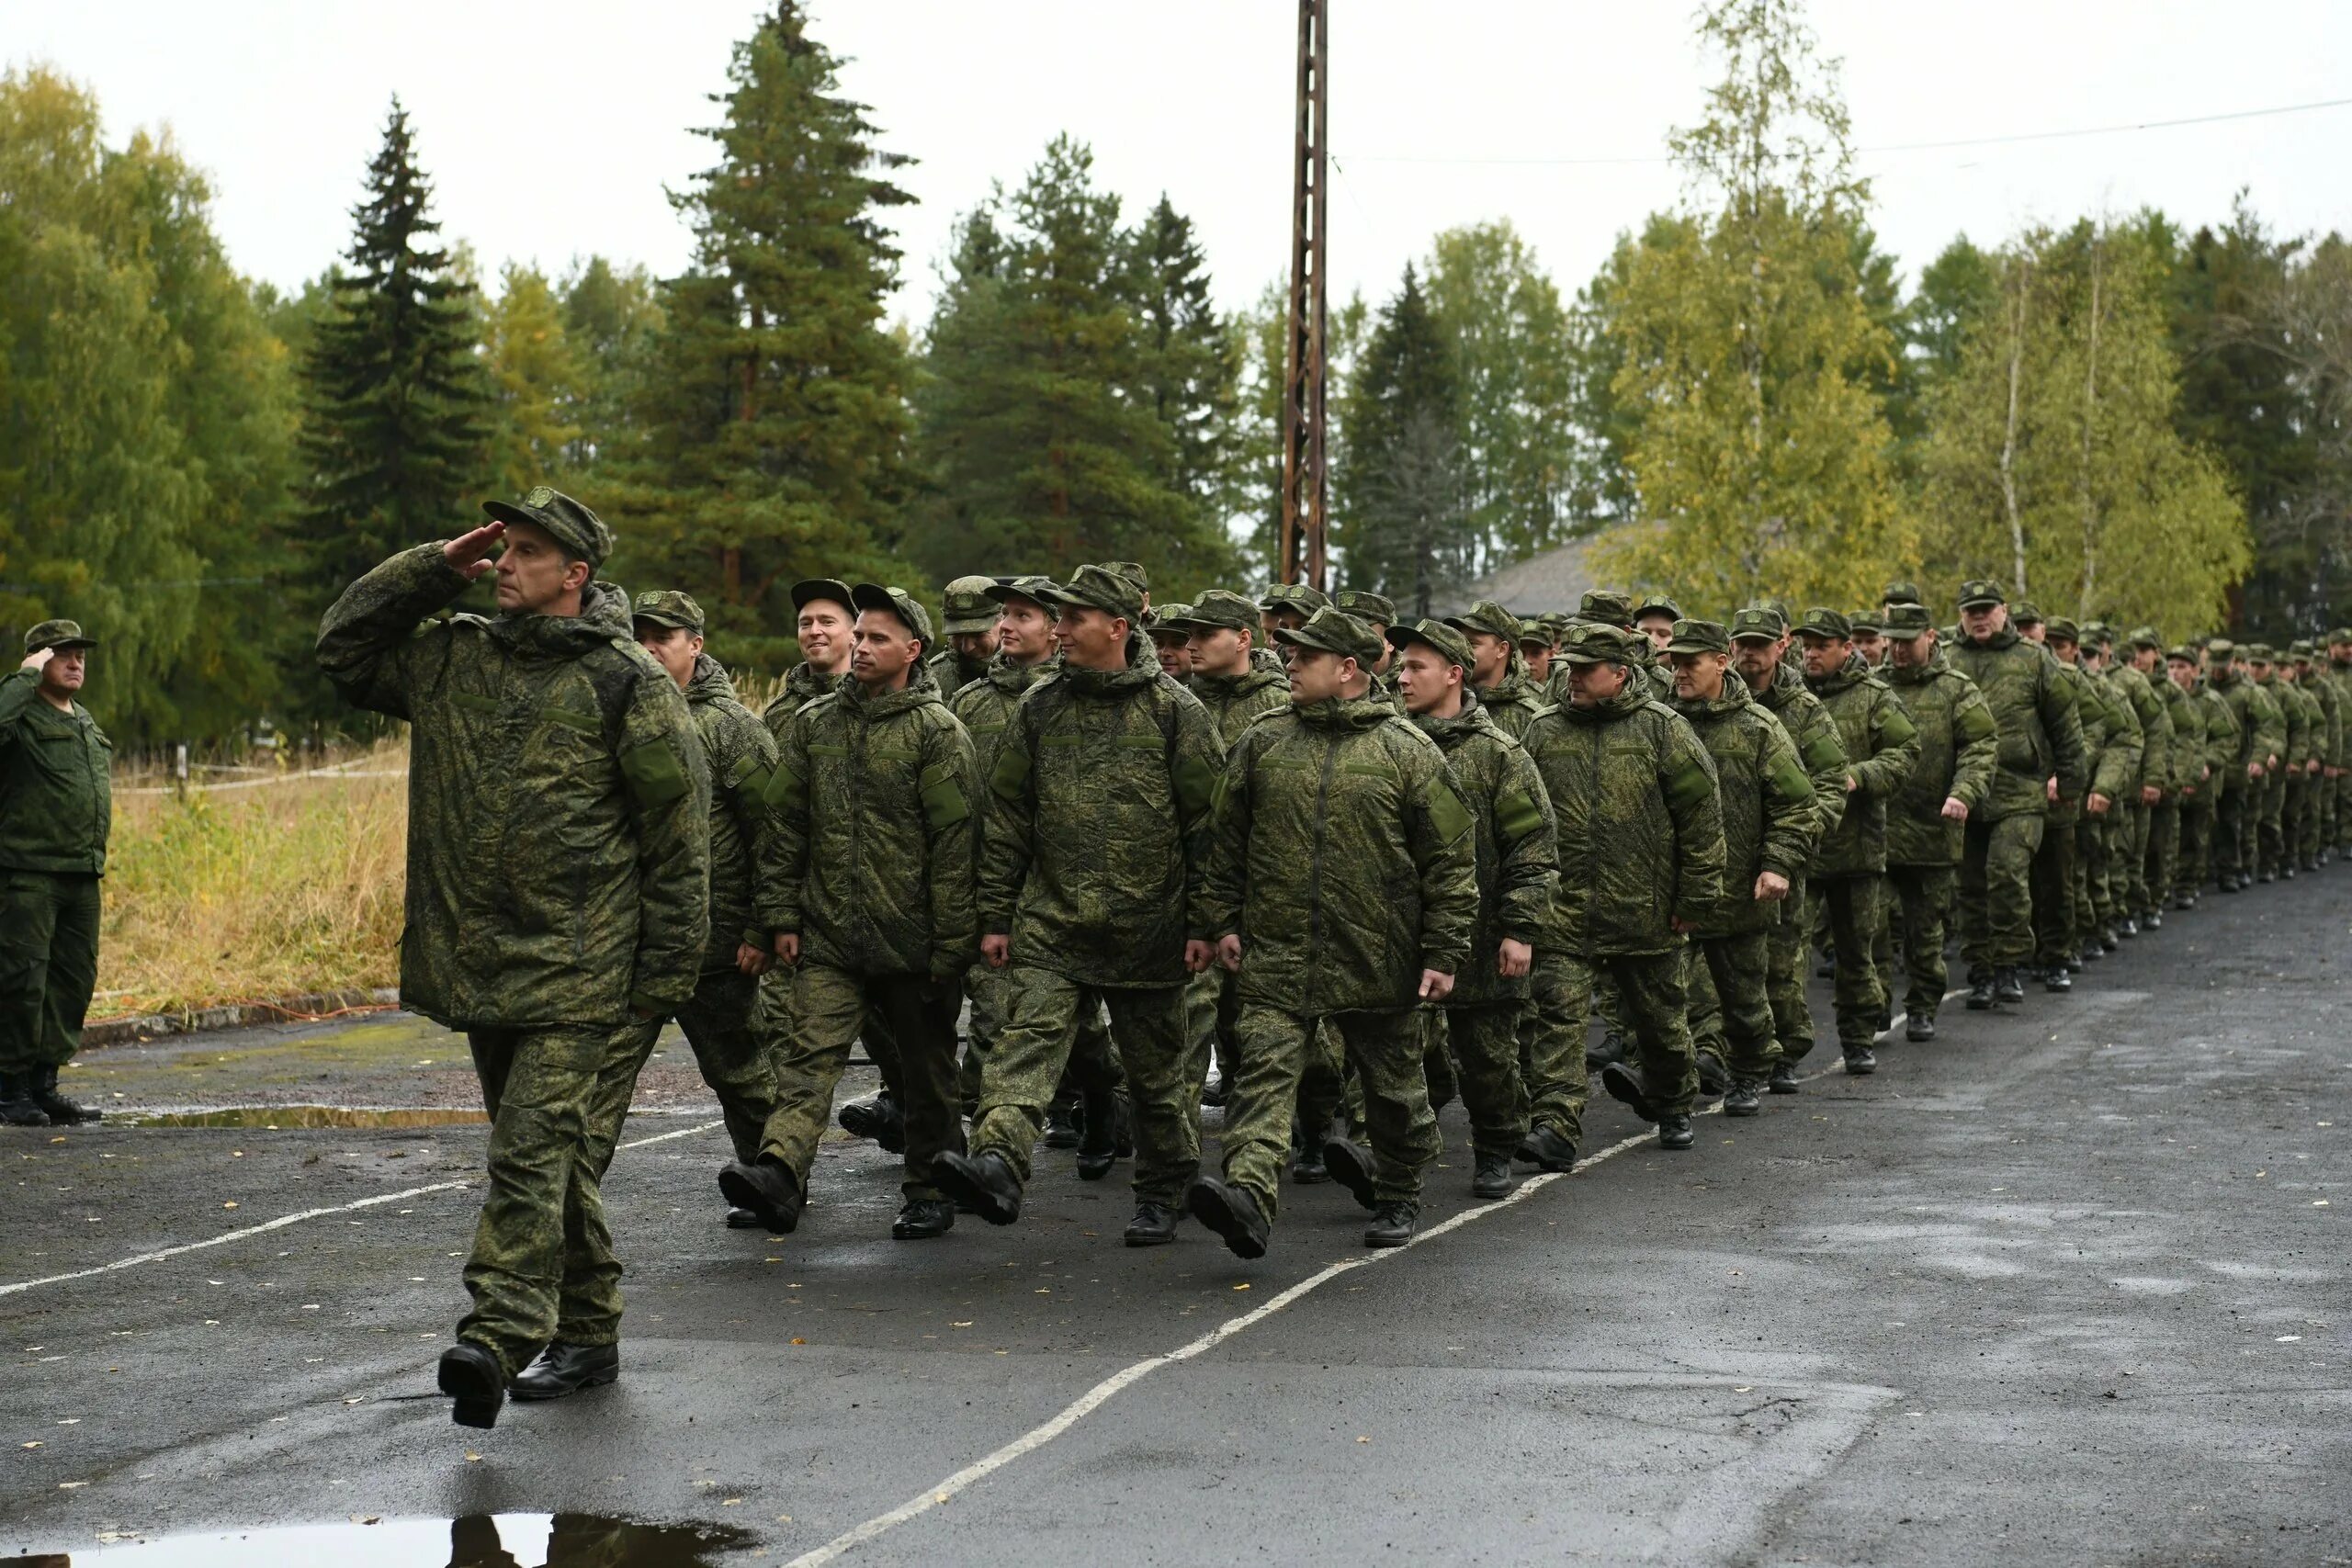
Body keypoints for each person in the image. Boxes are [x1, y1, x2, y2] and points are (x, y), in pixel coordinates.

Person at [316, 487, 710, 1430]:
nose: (505, 564)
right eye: (504, 548)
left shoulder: (626, 683)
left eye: (528, 551)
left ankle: (495, 1338)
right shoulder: (455, 657)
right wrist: (432, 567)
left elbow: (677, 840)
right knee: (552, 1158)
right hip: (482, 963)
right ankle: (591, 1331)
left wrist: (661, 978)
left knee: (529, 1153)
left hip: (584, 971)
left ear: (576, 574)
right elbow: (343, 651)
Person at [933, 565, 1223, 1247]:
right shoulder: (1039, 707)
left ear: (1117, 627)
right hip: (1052, 922)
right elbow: (1008, 817)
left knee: (1156, 1079)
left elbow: (1209, 827)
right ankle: (999, 1163)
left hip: (1149, 929)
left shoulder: (1176, 712)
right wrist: (997, 915)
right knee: (1022, 1046)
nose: (1059, 629)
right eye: (1056, 617)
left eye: (1072, 618)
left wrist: (1207, 924)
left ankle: (1163, 1189)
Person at [1188, 608, 1478, 1255]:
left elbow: (1451, 862)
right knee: (1262, 1076)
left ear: (1348, 668)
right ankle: (1249, 1197)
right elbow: (1224, 841)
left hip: (1378, 955)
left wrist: (1443, 952)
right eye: (1290, 654)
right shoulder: (1263, 741)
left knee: (1393, 1091)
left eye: (1306, 656)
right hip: (1278, 951)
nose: (1289, 664)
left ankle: (1397, 1188)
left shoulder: (1410, 752)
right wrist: (1222, 921)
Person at [724, 585, 979, 1244]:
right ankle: (780, 1171)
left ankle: (930, 1188)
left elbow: (956, 848)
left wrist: (952, 946)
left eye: (877, 639)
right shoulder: (815, 725)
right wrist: (780, 917)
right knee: (807, 1058)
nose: (861, 647)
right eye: (859, 635)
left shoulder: (938, 734)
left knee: (926, 1073)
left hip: (913, 944)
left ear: (913, 651)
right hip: (831, 937)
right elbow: (785, 827)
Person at [1521, 623, 1726, 1152]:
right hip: (1564, 908)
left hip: (1645, 909)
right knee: (1557, 1018)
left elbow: (1701, 817)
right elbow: (1520, 818)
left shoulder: (1663, 729)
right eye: (1570, 668)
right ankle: (1555, 1126)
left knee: (1660, 1022)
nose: (1573, 677)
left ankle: (1673, 1101)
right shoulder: (1543, 731)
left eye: (1587, 669)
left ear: (1620, 673)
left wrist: (1695, 897)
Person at [628, 592, 787, 1228]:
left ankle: (774, 1178)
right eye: (639, 636)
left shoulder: (731, 727)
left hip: (717, 943)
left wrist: (762, 927)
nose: (648, 648)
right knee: (601, 1075)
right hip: (633, 941)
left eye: (662, 637)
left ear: (695, 644)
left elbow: (773, 833)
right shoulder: (619, 716)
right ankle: (559, 1202)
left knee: (740, 1071)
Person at [1390, 617, 1556, 1194]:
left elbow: (1532, 847)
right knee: (1390, 1057)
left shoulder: (1498, 756)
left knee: (1487, 1060)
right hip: (1401, 934)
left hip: (1482, 938)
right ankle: (1388, 1161)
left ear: (1454, 674)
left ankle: (1496, 1144)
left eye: (1416, 667)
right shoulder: (1387, 744)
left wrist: (1520, 927)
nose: (1402, 677)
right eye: (1401, 666)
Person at [1664, 619, 1818, 1115]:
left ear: (1720, 662)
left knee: (1745, 998)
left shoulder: (1759, 727)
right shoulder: (1659, 723)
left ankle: (1749, 1071)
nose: (1679, 672)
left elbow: (1797, 804)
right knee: (1671, 997)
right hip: (1672, 891)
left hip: (1739, 890)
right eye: (1675, 663)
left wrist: (1778, 864)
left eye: (1691, 663)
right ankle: (1678, 1080)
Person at [1164, 591, 1291, 1106]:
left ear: (1242, 639)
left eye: (1204, 635)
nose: (1190, 645)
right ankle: (1175, 1128)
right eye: (1189, 635)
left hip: (1261, 887)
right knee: (1188, 1011)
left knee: (1257, 1016)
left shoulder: (1282, 703)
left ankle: (1283, 1119)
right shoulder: (1176, 702)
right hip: (1189, 884)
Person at [945, 576, 1063, 1120]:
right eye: (1006, 616)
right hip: (981, 879)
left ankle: (1099, 1101)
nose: (1006, 627)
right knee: (993, 1010)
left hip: (1053, 888)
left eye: (1021, 616)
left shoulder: (1070, 700)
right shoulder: (968, 702)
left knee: (1066, 1021)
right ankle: (981, 1119)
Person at [1949, 581, 2086, 1010]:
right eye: (1971, 611)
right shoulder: (1949, 660)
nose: (1979, 618)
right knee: (1971, 885)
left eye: (1987, 609)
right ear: (1960, 616)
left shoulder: (2034, 659)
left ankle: (2009, 964)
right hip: (1966, 791)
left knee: (2006, 872)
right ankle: (1981, 969)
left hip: (2021, 789)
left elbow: (2065, 722)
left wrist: (2069, 781)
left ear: (2004, 611)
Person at [1795, 609, 1919, 1071]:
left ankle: (1858, 1037)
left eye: (1821, 646)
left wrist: (1860, 776)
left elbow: (1906, 752)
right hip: (1801, 848)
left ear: (1846, 649)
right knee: (1788, 953)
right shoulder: (1789, 696)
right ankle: (1784, 1048)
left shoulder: (1874, 696)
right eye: (1806, 646)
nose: (1811, 654)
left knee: (1856, 952)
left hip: (1856, 849)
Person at [1731, 605, 1847, 1093]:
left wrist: (1798, 838)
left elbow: (1831, 780)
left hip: (1783, 858)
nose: (1750, 654)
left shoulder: (1804, 710)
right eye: (1743, 644)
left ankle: (1786, 1048)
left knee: (1780, 962)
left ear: (1781, 647)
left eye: (1760, 644)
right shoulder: (1710, 704)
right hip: (1724, 857)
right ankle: (1733, 1054)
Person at [0, 620, 109, 1127]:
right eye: (62, 653)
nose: (75, 661)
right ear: (37, 659)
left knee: (72, 982)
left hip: (81, 873)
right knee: (22, 982)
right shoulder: (20, 713)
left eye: (79, 654)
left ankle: (44, 1085)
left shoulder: (84, 719)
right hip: (29, 872)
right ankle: (9, 1089)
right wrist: (23, 678)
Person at [1879, 604, 1996, 1032]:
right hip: (1877, 830)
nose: (1897, 650)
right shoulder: (1873, 687)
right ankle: (1873, 1003)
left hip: (1933, 829)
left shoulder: (1956, 689)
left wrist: (1964, 792)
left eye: (1907, 642)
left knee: (1925, 929)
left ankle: (1922, 1006)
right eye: (1892, 641)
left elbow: (1981, 746)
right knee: (1871, 925)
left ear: (1929, 637)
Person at [2132, 627, 2199, 922]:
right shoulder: (2124, 683)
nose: (2138, 656)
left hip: (2165, 780)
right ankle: (2131, 905)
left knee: (2159, 846)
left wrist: (2176, 777)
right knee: (2131, 848)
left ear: (2155, 654)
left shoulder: (2170, 693)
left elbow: (2186, 736)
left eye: (2144, 650)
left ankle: (2153, 902)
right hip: (2132, 778)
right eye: (2134, 650)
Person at [2206, 639, 2281, 892]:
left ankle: (2231, 871)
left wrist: (2259, 758)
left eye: (2222, 666)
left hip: (2236, 768)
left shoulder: (2249, 692)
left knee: (2232, 822)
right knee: (2205, 823)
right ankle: (2204, 871)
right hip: (2207, 767)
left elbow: (2265, 729)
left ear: (2233, 662)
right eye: (2213, 666)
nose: (2217, 671)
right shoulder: (2202, 688)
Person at [1445, 601, 1544, 739]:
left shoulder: (1532, 720)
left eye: (1472, 644)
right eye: (1460, 643)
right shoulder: (1446, 705)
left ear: (1502, 649)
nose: (1462, 651)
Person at [929, 576, 1002, 694]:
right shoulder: (933, 677)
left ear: (1002, 622)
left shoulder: (1025, 669)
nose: (967, 648)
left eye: (978, 634)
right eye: (957, 635)